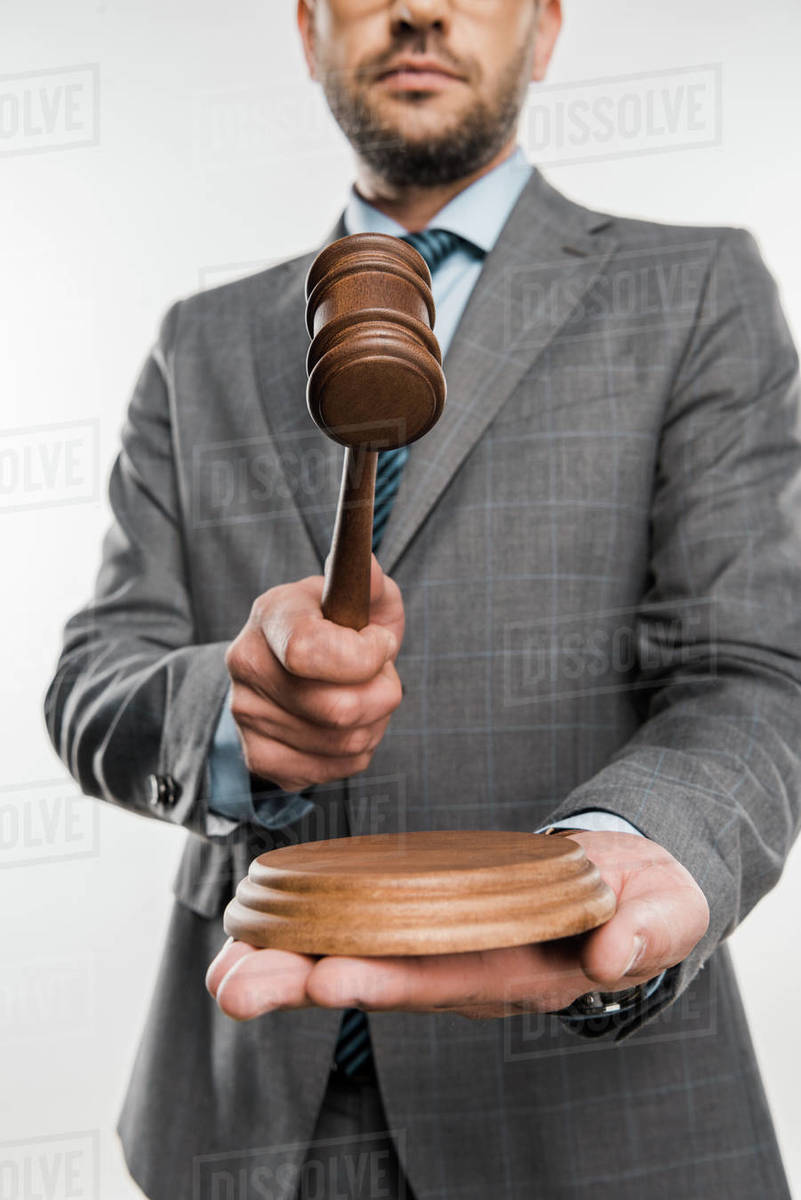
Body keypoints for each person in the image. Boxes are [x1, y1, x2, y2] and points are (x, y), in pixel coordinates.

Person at [44, 1, 801, 1197]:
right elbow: (93, 678)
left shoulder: (697, 290)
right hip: (251, 1125)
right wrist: (230, 721)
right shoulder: (198, 343)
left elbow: (755, 667)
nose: (419, 9)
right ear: (308, 30)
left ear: (545, 31)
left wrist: (627, 853)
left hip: (590, 1125)